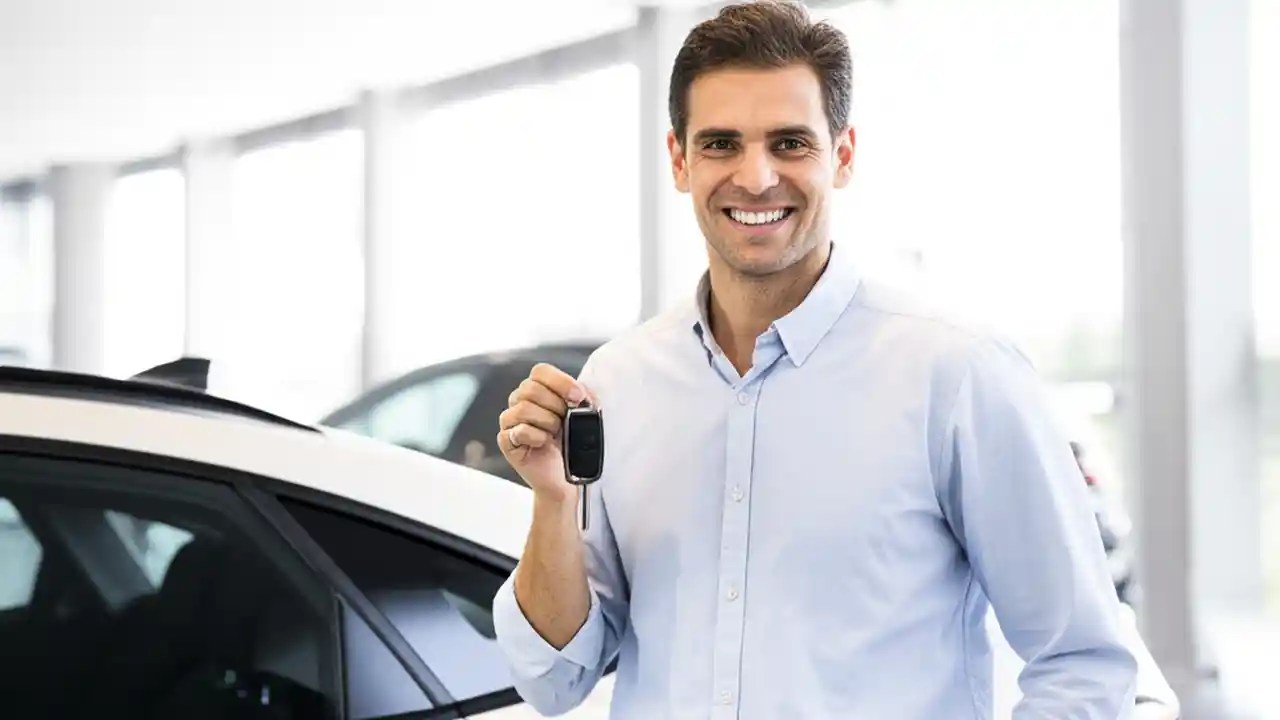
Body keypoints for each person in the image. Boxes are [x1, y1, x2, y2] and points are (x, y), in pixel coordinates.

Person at [491, 1, 1176, 717]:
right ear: (679, 159)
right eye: (722, 143)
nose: (755, 178)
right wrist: (554, 500)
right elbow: (554, 680)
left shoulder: (956, 374)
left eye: (789, 143)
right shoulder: (619, 382)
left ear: (842, 155)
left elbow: (1082, 664)